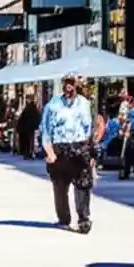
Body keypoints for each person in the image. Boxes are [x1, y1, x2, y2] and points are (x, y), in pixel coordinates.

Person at [42, 74, 103, 234]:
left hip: (80, 146)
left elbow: (93, 129)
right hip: (59, 148)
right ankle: (63, 218)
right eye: (66, 82)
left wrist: (92, 153)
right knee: (60, 186)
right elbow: (45, 130)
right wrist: (49, 152)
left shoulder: (85, 104)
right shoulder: (53, 104)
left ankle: (83, 219)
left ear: (77, 85)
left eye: (72, 82)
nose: (68, 85)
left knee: (83, 184)